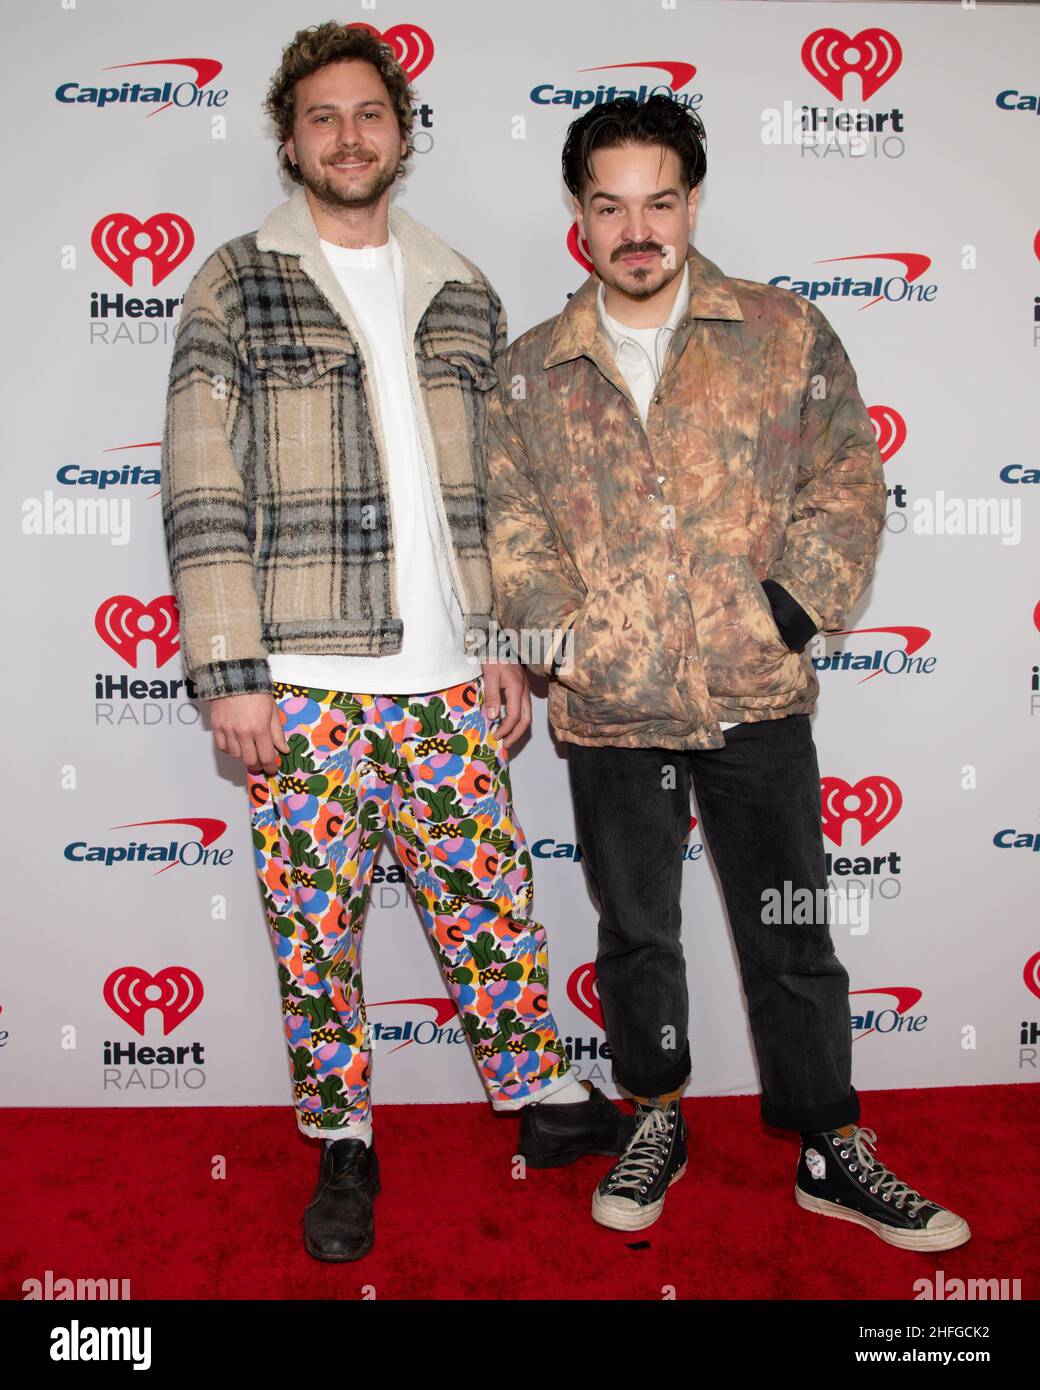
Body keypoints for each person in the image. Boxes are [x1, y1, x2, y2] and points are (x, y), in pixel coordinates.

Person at [159, 22, 631, 1265]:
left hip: (449, 676)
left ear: (402, 133)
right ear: (288, 139)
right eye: (321, 117)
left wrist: (514, 644)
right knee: (313, 932)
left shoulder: (463, 288)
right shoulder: (234, 283)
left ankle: (537, 1100)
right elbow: (203, 489)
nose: (348, 135)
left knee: (491, 906)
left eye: (369, 113)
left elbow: (511, 496)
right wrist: (229, 675)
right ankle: (344, 1139)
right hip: (303, 682)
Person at [485, 95, 970, 1250]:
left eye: (658, 201)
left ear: (692, 201)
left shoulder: (782, 333)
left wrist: (787, 614)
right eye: (610, 206)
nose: (635, 228)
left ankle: (825, 1141)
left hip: (754, 699)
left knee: (789, 929)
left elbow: (847, 482)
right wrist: (573, 651)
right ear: (579, 214)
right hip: (608, 717)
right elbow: (511, 534)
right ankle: (654, 1114)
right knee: (635, 933)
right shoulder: (527, 374)